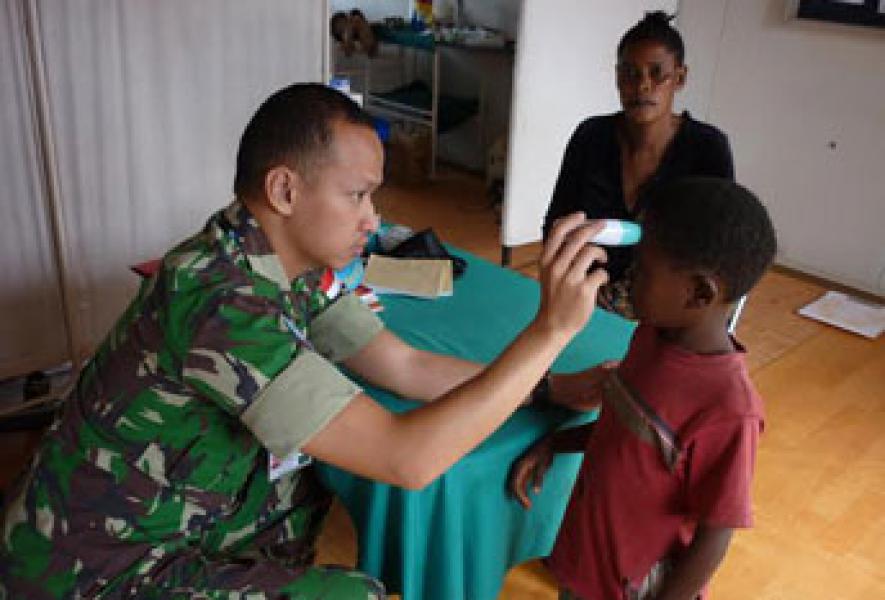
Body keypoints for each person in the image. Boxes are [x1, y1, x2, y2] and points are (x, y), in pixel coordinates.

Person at [0, 83, 610, 599]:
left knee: (308, 493)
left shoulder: (276, 265)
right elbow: (407, 458)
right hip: (97, 567)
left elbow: (404, 365)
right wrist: (549, 331)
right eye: (358, 194)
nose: (373, 217)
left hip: (190, 523)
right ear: (286, 191)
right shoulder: (221, 300)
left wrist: (546, 384)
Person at [512, 177, 777, 600]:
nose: (629, 277)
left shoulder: (728, 409)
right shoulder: (650, 335)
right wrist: (558, 442)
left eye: (643, 270)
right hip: (586, 563)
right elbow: (626, 430)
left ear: (698, 292)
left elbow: (716, 532)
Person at [543, 11, 734, 319]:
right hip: (588, 294)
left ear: (680, 78)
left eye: (657, 73)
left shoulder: (707, 147)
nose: (643, 86)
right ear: (617, 78)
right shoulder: (591, 136)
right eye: (630, 73)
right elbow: (558, 220)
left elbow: (718, 246)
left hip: (670, 305)